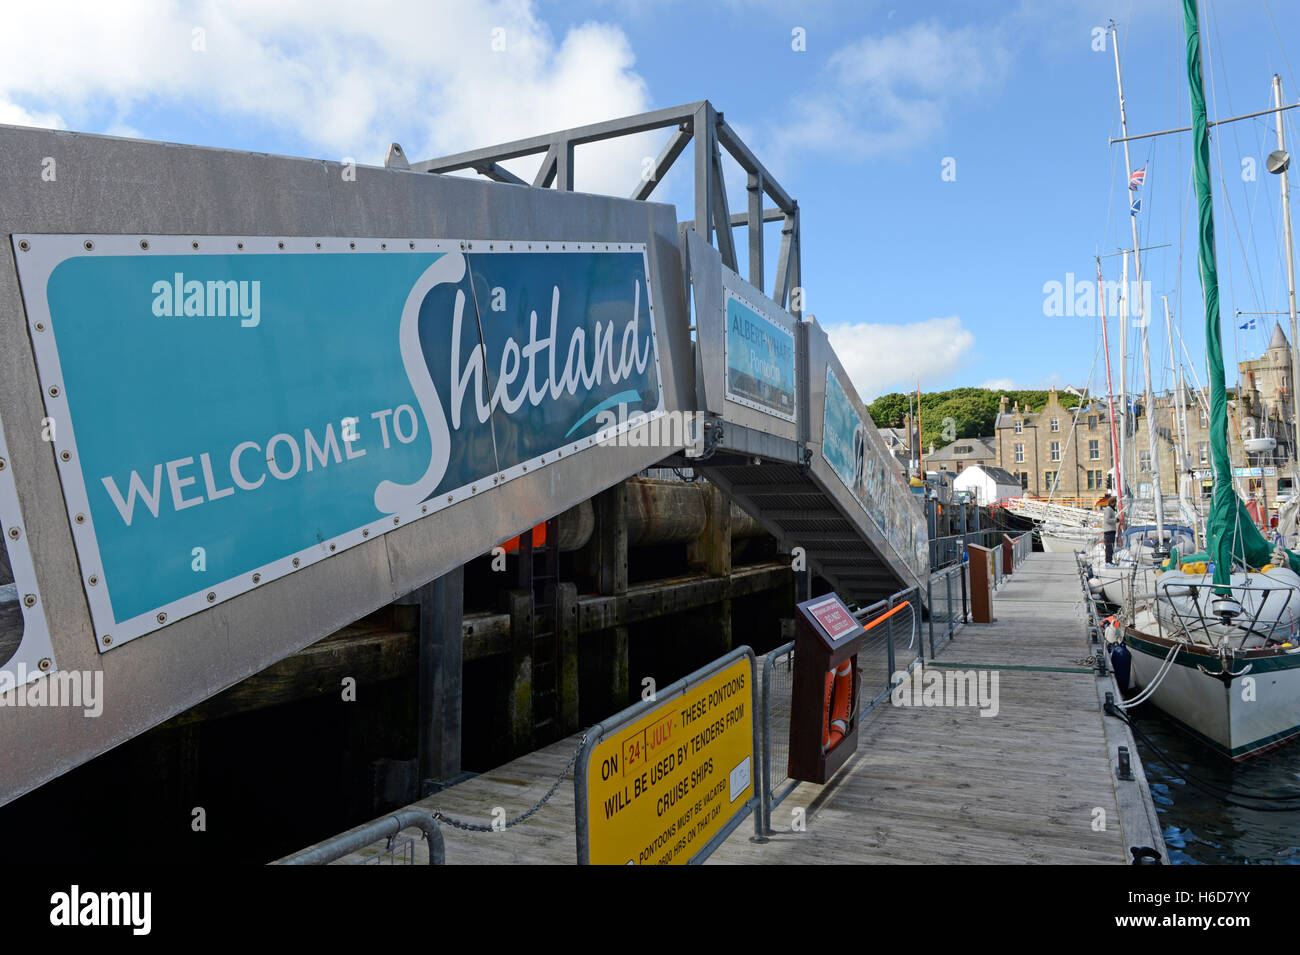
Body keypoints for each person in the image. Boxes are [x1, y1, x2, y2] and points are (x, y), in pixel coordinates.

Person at [1099, 496, 1118, 565]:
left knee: (1111, 546)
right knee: (1109, 546)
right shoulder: (1108, 509)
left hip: (1112, 530)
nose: (1116, 504)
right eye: (1115, 502)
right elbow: (1107, 520)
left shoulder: (1112, 509)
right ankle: (1108, 561)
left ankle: (1110, 560)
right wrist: (1115, 520)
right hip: (1109, 531)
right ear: (1113, 502)